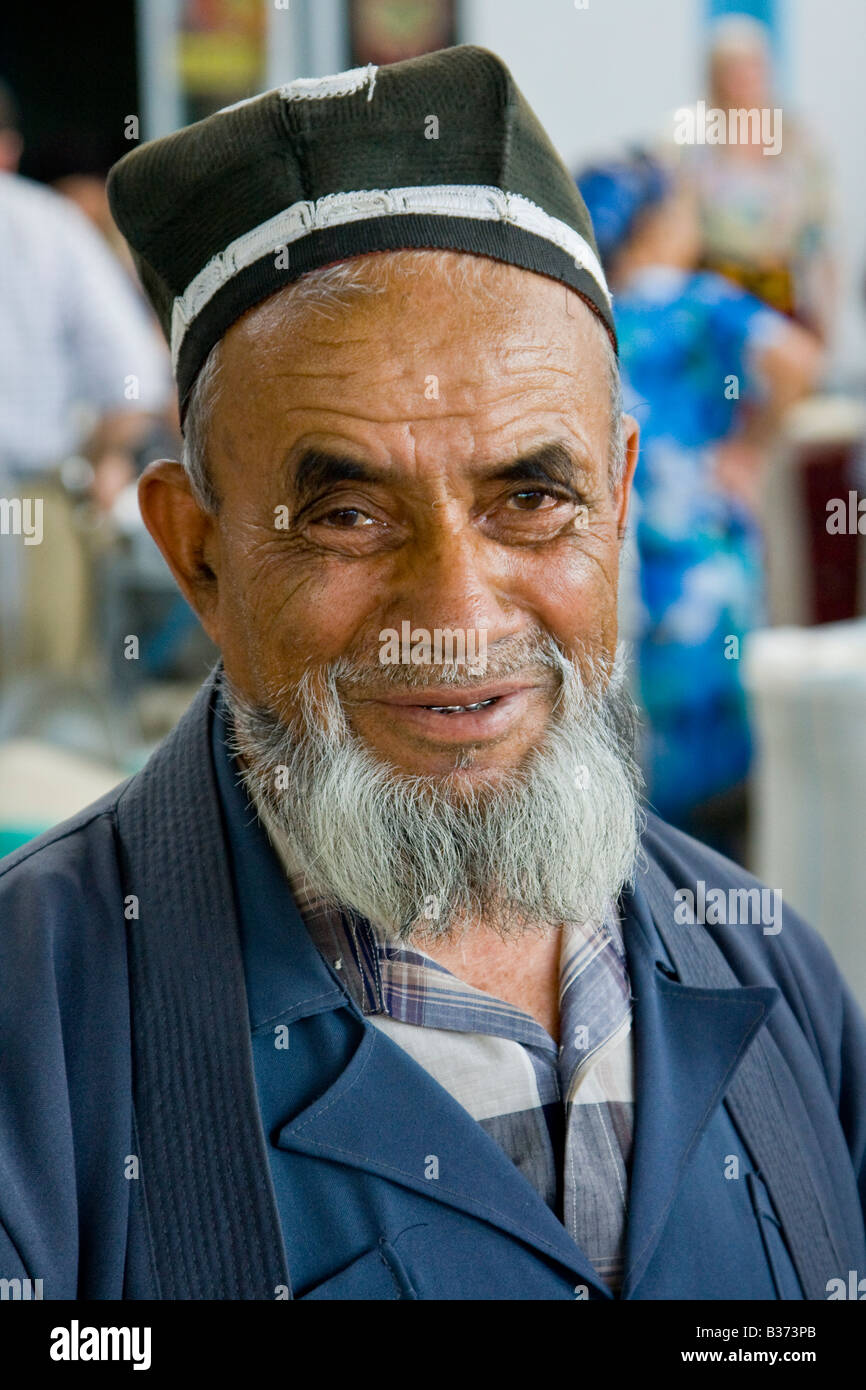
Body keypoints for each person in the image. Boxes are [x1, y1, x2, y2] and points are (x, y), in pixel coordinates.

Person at [0, 46, 863, 1302]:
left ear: (616, 504)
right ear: (197, 550)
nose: (453, 617)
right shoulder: (33, 1035)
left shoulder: (773, 977)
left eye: (531, 496)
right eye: (347, 514)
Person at [577, 152, 821, 850]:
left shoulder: (593, 317)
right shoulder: (701, 301)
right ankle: (725, 914)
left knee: (647, 751)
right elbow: (797, 361)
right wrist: (750, 449)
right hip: (705, 557)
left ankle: (663, 903)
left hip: (628, 558)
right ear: (655, 225)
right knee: (728, 762)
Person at [0, 80, 173, 678]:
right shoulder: (43, 225)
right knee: (34, 724)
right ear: (8, 149)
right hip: (24, 510)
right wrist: (105, 459)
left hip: (29, 496)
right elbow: (135, 373)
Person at [674, 14, 835, 342]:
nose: (743, 79)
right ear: (715, 77)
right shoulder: (696, 143)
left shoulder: (796, 140)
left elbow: (820, 233)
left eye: (752, 67)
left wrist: (826, 313)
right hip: (721, 301)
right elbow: (681, 231)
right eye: (732, 70)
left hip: (786, 296)